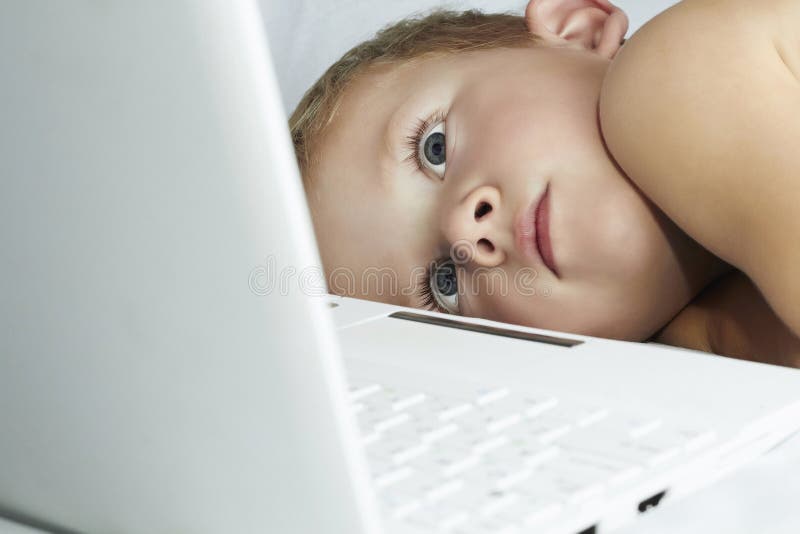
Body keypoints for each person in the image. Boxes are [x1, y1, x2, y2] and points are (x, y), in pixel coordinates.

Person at [289, 0, 800, 366]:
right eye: (443, 286)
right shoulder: (704, 340)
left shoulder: (674, 75)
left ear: (575, 29)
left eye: (435, 148)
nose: (466, 233)